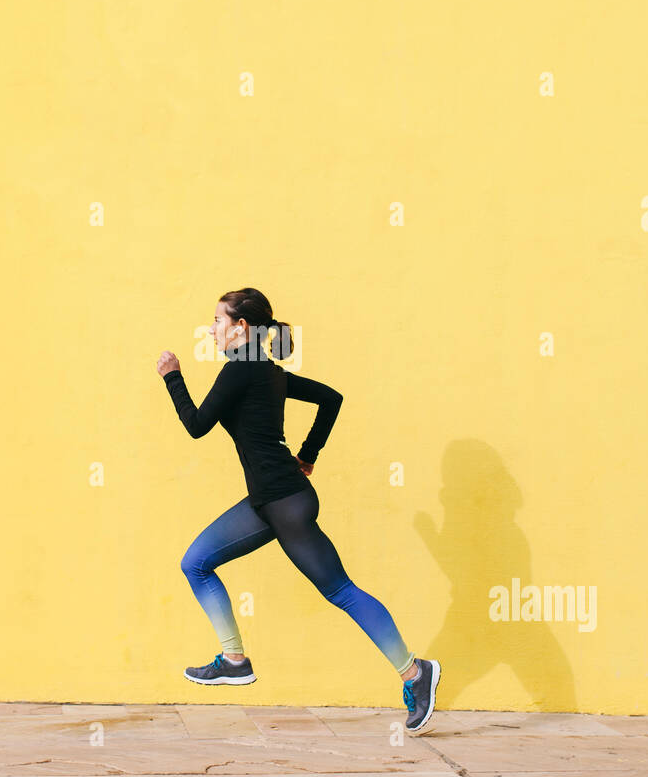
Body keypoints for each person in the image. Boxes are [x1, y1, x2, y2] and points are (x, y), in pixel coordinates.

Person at [157, 287, 441, 734]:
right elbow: (332, 399)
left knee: (341, 591)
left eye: (217, 320)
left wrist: (173, 376)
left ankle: (414, 672)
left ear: (240, 327)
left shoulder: (240, 371)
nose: (211, 329)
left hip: (284, 504)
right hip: (268, 502)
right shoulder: (268, 372)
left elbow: (196, 426)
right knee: (196, 561)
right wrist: (308, 454)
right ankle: (235, 659)